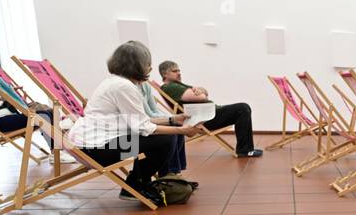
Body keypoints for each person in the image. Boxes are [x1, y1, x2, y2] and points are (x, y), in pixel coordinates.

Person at [65, 41, 205, 199]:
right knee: (164, 139)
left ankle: (139, 182)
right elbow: (143, 127)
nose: (150, 68)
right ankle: (136, 184)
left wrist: (174, 119)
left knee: (164, 136)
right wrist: (182, 130)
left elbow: (140, 121)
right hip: (96, 152)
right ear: (137, 65)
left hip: (90, 146)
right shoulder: (124, 87)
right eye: (148, 64)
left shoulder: (115, 82)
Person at [158, 60, 264, 158]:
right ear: (165, 74)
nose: (179, 73)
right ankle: (245, 150)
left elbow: (204, 92)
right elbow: (202, 96)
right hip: (205, 119)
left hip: (209, 114)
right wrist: (200, 91)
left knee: (242, 108)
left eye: (179, 70)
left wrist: (200, 90)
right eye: (174, 71)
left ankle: (245, 149)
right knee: (242, 108)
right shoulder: (170, 87)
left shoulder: (178, 85)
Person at [139, 80, 191, 183]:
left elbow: (154, 111)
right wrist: (172, 118)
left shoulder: (145, 85)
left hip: (145, 123)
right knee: (172, 132)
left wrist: (173, 119)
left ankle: (172, 173)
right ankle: (167, 174)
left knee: (176, 127)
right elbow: (147, 116)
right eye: (175, 71)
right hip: (134, 130)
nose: (149, 69)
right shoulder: (130, 88)